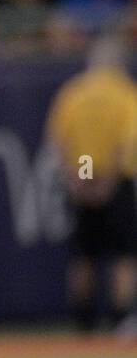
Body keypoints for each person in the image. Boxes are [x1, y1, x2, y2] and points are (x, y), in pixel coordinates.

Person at [45, 37, 137, 333]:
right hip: (115, 182)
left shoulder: (73, 93)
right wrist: (108, 183)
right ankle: (121, 319)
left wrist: (80, 181)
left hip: (83, 177)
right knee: (122, 254)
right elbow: (126, 144)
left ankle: (84, 323)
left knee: (83, 255)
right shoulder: (125, 94)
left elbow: (58, 142)